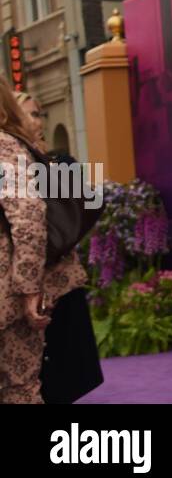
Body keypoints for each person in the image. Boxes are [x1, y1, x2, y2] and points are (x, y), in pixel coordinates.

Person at [0, 78, 89, 403]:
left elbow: (27, 216)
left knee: (19, 388)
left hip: (8, 294)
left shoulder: (3, 145)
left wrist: (27, 287)